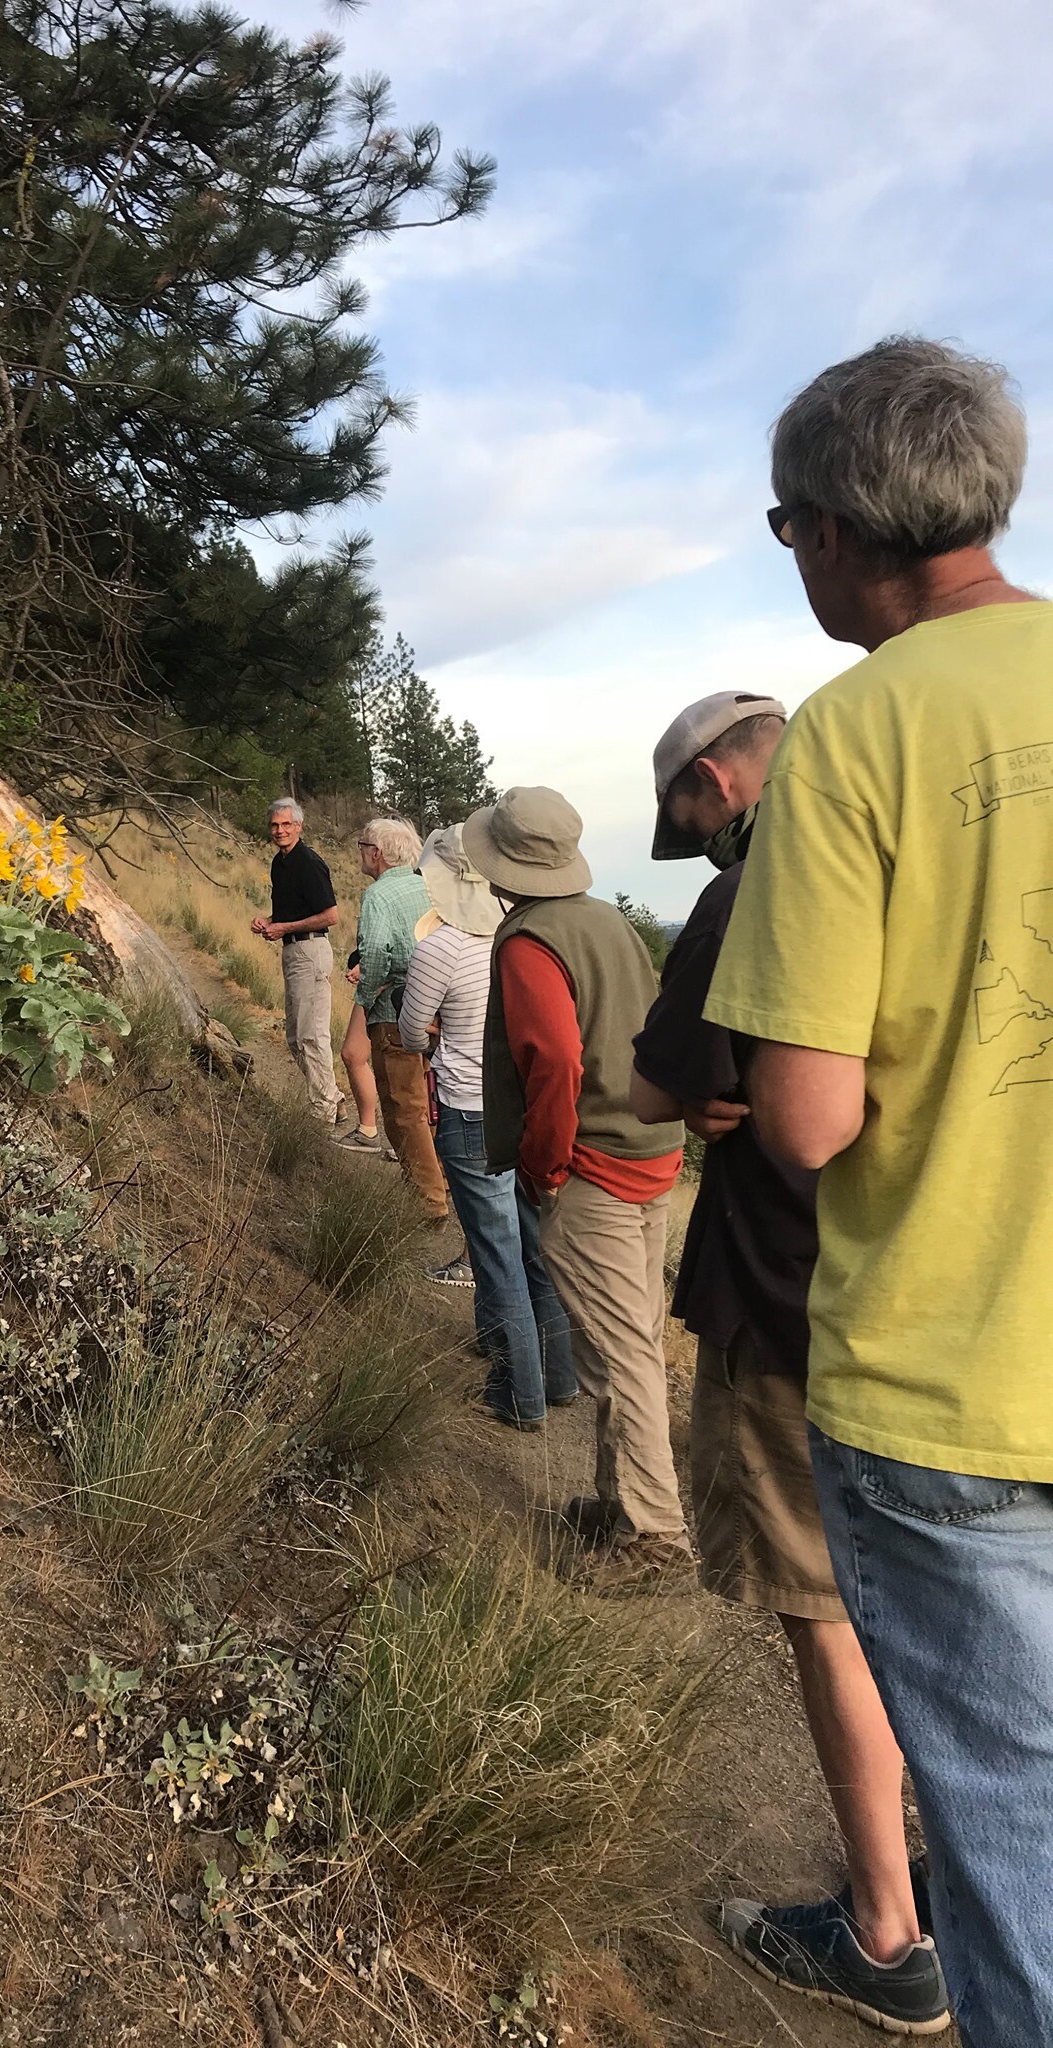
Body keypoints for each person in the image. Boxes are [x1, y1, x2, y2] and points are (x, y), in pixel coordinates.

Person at [706, 336, 1053, 2048]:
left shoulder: (854, 736)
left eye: (789, 525)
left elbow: (812, 1118)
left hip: (952, 1387)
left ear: (842, 530)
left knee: (1013, 1854)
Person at [630, 693, 948, 2034]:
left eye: (685, 816)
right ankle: (958, 1866)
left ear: (715, 780)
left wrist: (727, 1097)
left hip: (786, 1300)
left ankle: (885, 1930)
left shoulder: (753, 894)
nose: (691, 842)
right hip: (948, 1292)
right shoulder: (918, 850)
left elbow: (666, 1089)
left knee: (825, 1608)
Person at [465, 786, 687, 1587]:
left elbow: (555, 1062)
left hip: (590, 1168)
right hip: (650, 1153)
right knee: (629, 1341)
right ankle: (618, 1503)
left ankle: (655, 1537)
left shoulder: (530, 941)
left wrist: (544, 1164)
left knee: (620, 1353)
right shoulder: (609, 924)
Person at [400, 825, 576, 1426]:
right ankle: (558, 1377)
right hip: (522, 1108)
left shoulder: (440, 948)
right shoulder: (518, 934)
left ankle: (518, 1395)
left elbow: (407, 1032)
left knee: (494, 1253)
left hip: (468, 1111)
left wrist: (442, 1031)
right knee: (533, 1247)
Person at [353, 817, 446, 1224]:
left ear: (376, 853)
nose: (360, 853)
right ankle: (435, 1185)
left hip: (395, 1010)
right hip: (439, 1009)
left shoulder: (378, 895)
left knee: (403, 1107)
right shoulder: (429, 886)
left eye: (362, 845)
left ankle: (428, 1203)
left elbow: (374, 952)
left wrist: (365, 996)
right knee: (430, 1105)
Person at [252, 797, 342, 1126]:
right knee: (294, 1037)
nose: (279, 830)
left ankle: (323, 1114)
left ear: (299, 826)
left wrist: (284, 927)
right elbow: (291, 912)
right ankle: (331, 1096)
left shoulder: (309, 863)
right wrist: (269, 920)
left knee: (311, 1036)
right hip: (291, 951)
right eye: (275, 825)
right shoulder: (280, 863)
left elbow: (330, 916)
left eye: (286, 824)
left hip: (311, 951)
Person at [334, 949, 382, 1151]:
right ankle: (368, 1129)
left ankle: (416, 1146)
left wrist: (369, 968)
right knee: (354, 1054)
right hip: (379, 986)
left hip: (386, 986)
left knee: (405, 1069)